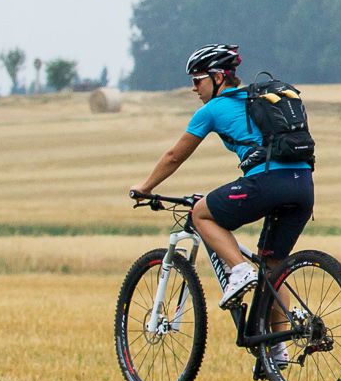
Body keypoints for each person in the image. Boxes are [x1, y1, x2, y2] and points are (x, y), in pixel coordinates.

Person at [130, 44, 315, 317]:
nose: (194, 88)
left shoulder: (213, 109)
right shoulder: (258, 100)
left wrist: (145, 188)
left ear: (218, 78)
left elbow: (174, 156)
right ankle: (277, 350)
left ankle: (239, 270)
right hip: (302, 186)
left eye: (197, 80)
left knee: (201, 213)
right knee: (273, 267)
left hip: (268, 182)